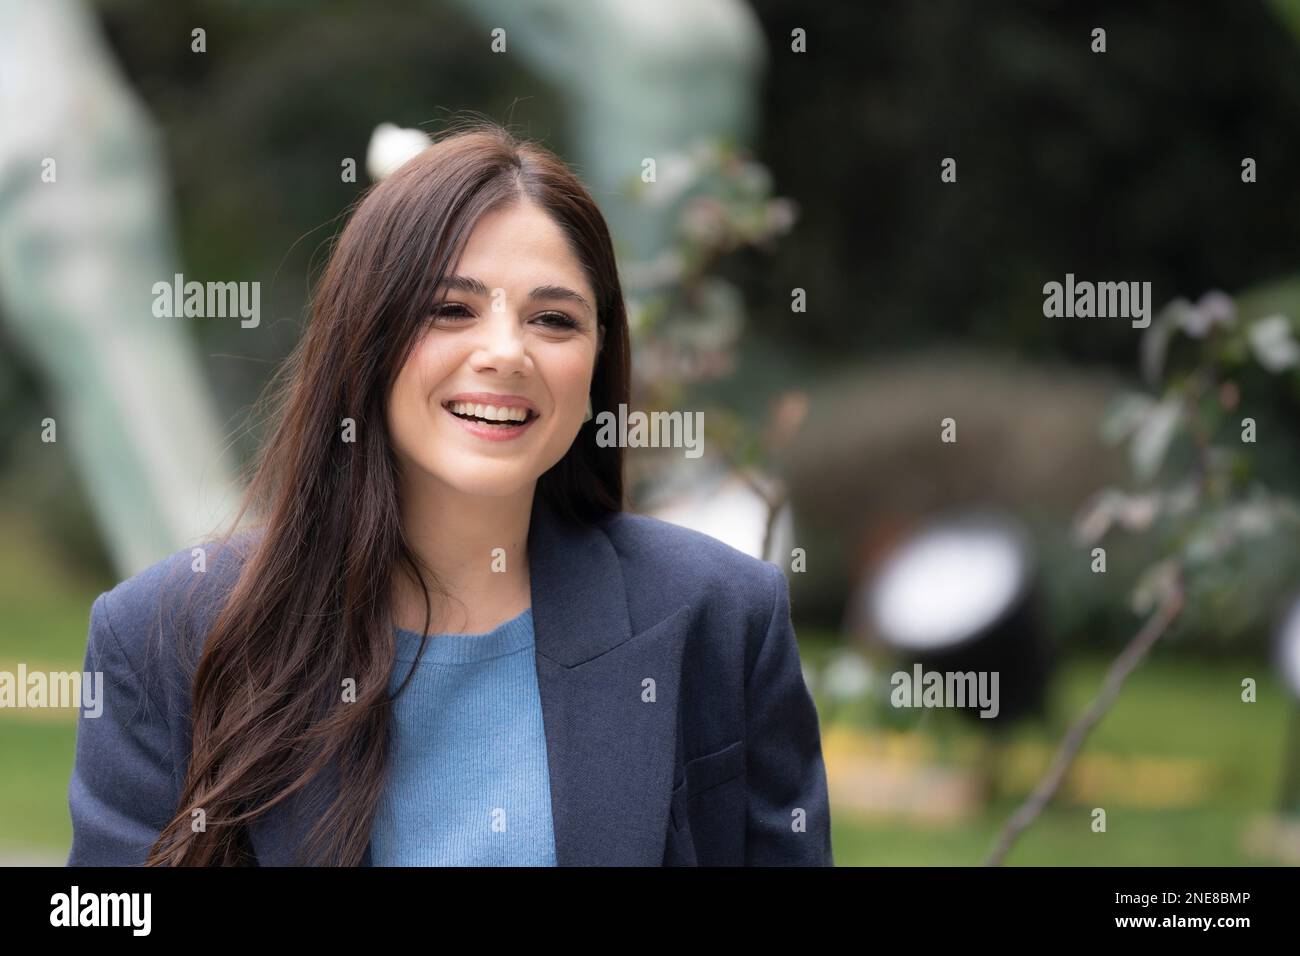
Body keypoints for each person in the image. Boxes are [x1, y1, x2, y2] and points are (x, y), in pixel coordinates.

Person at [65, 121, 833, 866]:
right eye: (450, 310)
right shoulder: (164, 635)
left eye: (554, 319)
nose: (505, 352)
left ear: (598, 364)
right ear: (363, 340)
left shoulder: (721, 617)